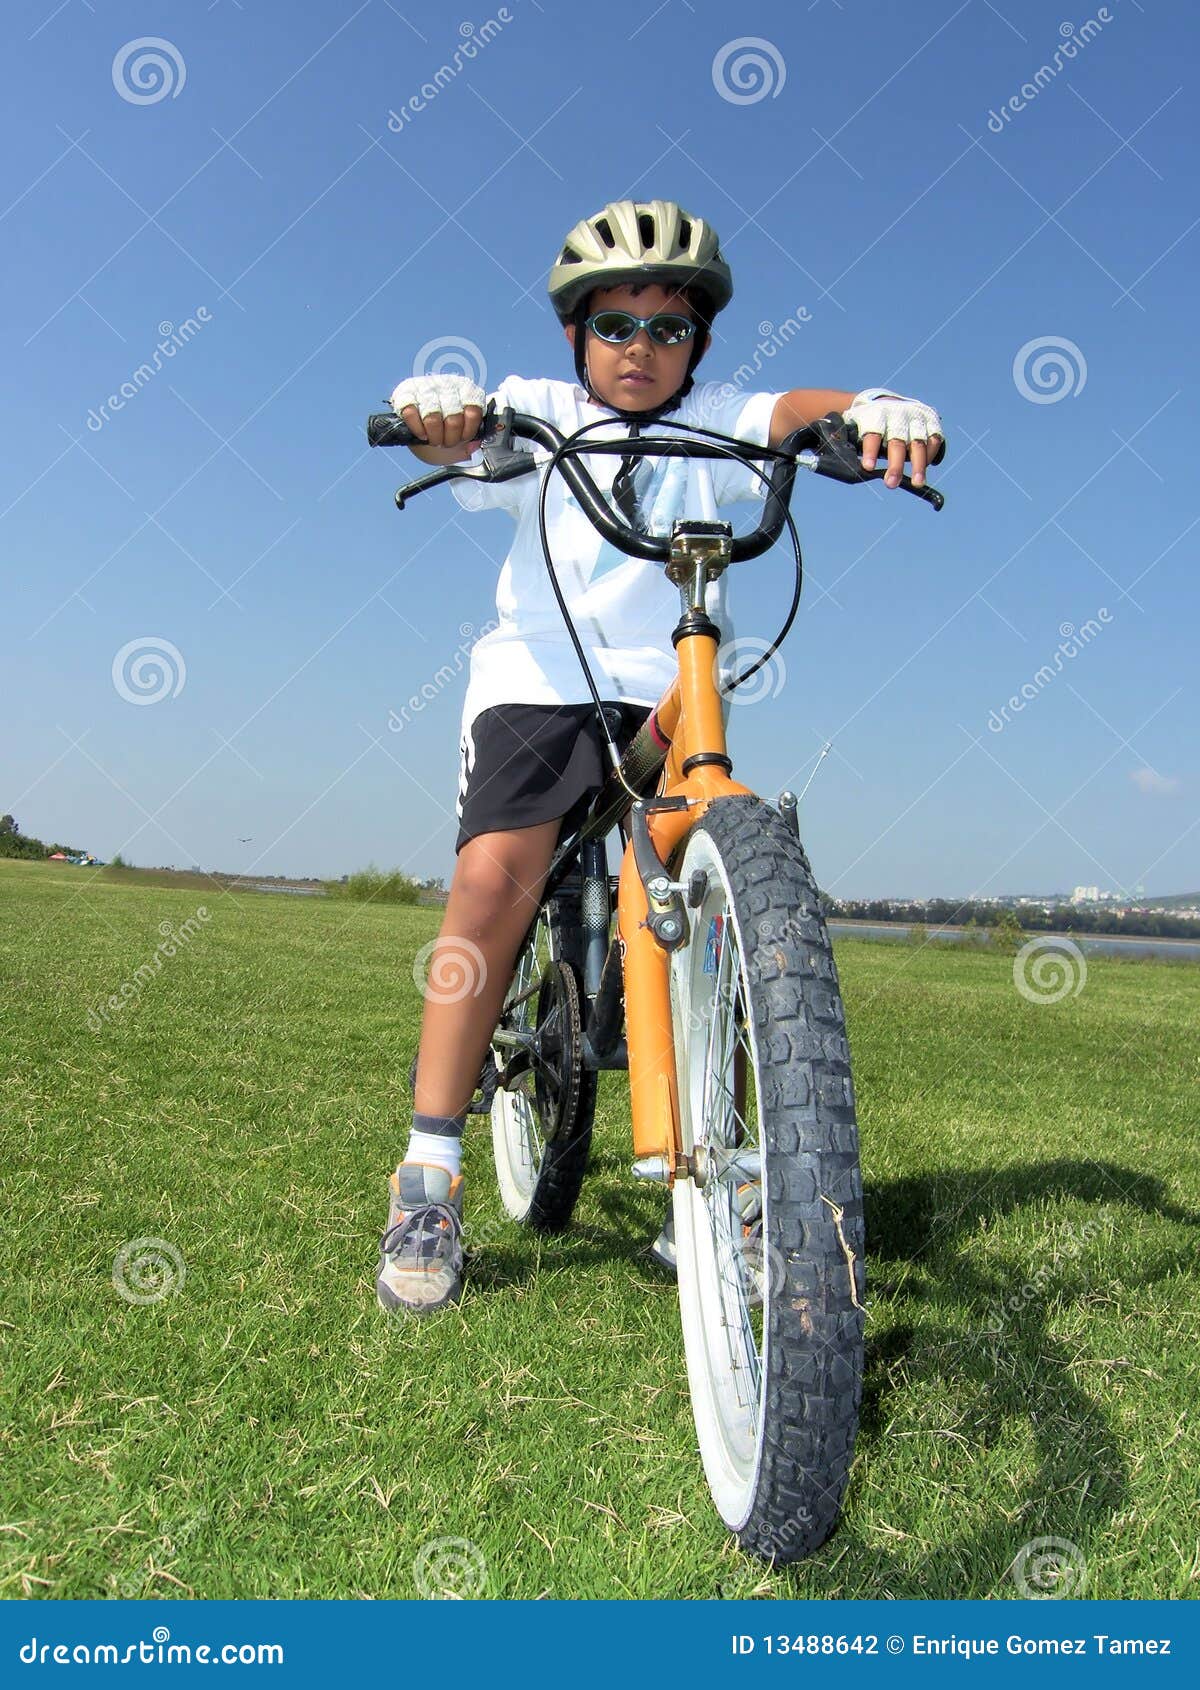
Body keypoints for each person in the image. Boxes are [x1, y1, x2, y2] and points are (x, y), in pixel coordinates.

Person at [377, 197, 944, 1315]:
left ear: (702, 346)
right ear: (577, 337)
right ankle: (428, 1167)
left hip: (672, 690)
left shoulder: (720, 419)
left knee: (710, 880)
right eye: (617, 326)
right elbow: (465, 417)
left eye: (670, 329)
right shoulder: (541, 411)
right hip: (540, 684)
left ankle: (731, 1172)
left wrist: (872, 409)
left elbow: (797, 412)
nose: (642, 349)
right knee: (497, 876)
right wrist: (434, 411)